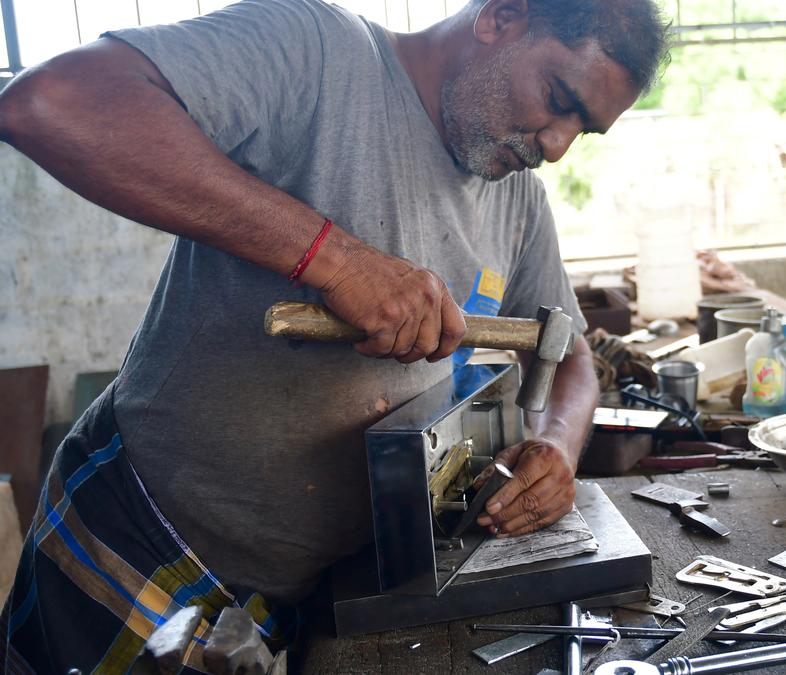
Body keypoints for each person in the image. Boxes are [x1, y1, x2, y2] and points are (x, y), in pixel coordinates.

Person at [0, 0, 670, 669]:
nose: (556, 145)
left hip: (294, 599)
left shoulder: (518, 200)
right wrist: (334, 258)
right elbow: (52, 104)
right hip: (135, 541)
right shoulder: (321, 54)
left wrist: (556, 445)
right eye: (558, 98)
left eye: (583, 129)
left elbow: (573, 350)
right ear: (501, 17)